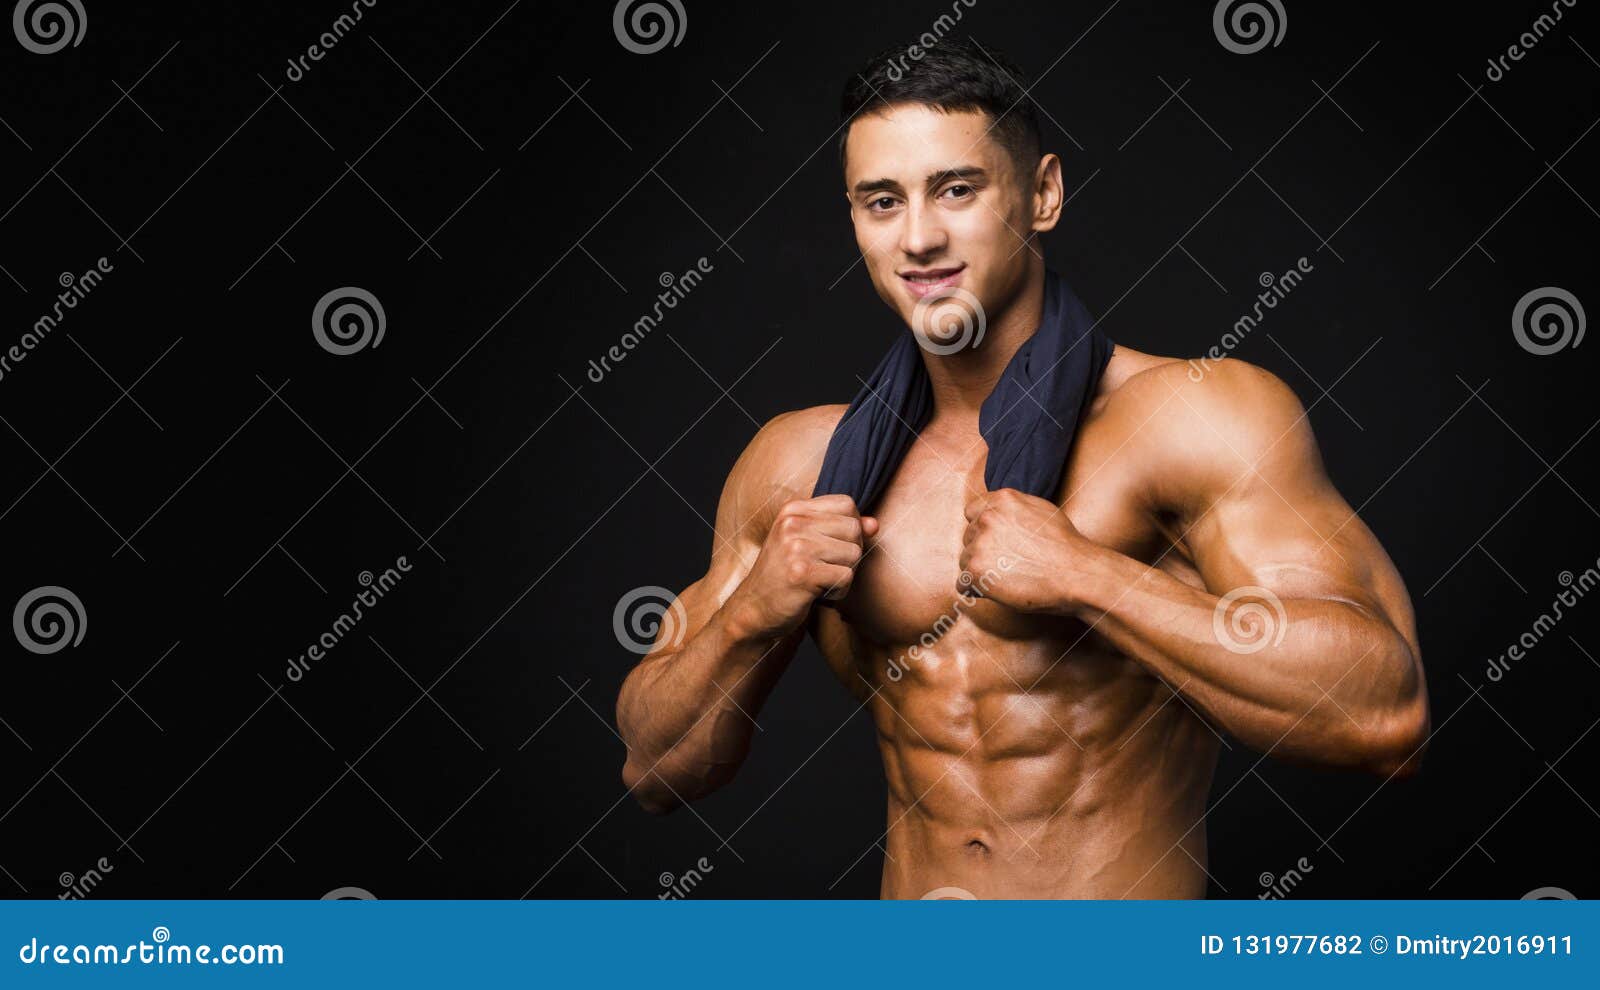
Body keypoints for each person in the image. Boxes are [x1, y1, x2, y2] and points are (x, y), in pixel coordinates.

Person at [615, 39, 1428, 898]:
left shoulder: (1191, 416)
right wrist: (751, 613)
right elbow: (655, 769)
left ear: (1042, 194)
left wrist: (1089, 578)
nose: (920, 238)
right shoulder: (802, 465)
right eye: (881, 201)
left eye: (957, 190)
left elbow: (1383, 712)